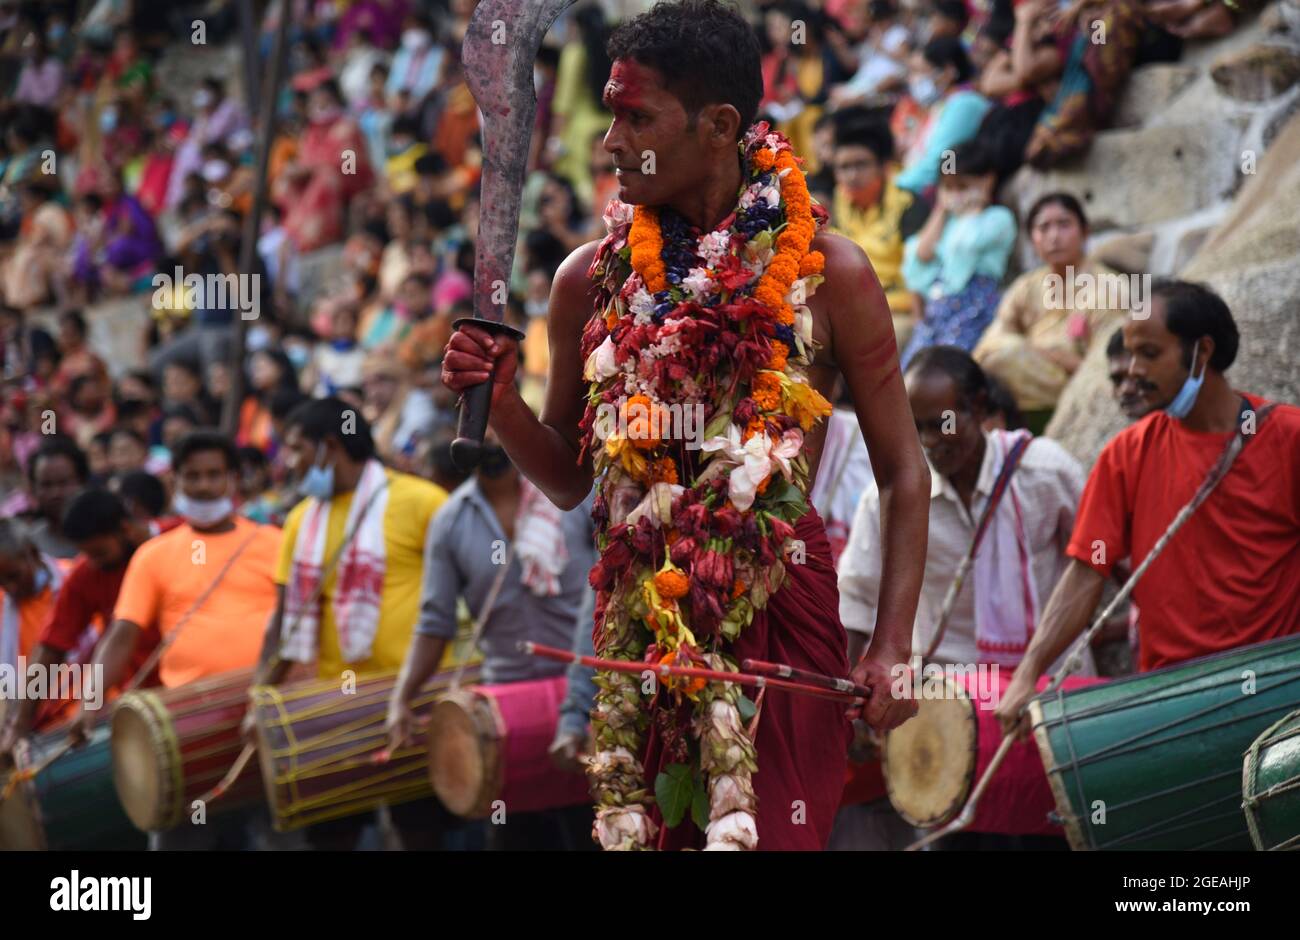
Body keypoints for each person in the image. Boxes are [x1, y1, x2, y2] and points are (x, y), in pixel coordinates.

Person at [440, 0, 930, 851]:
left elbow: (903, 472)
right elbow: (563, 481)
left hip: (782, 604)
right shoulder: (583, 279)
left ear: (720, 125)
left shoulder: (832, 273)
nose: (610, 141)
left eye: (637, 117)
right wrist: (506, 402)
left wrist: (891, 643)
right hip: (639, 614)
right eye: (611, 114)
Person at [997, 280, 1300, 734]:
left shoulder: (1287, 438)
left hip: (1277, 693)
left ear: (1201, 353)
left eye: (1150, 354)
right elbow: (1087, 570)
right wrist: (1027, 674)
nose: (1133, 370)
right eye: (1130, 353)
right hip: (1171, 703)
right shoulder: (1126, 454)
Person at [249, 397, 450, 851]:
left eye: (297, 449)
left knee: (420, 834)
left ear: (328, 447)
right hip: (336, 707)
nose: (290, 462)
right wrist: (258, 700)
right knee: (333, 836)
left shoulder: (421, 501)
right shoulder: (300, 520)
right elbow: (284, 621)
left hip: (416, 697)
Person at [387, 436, 598, 851]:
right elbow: (435, 622)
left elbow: (612, 582)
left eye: (501, 426)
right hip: (506, 713)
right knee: (515, 836)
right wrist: (402, 698)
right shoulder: (449, 521)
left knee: (596, 831)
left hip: (592, 696)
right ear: (459, 436)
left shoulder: (574, 496)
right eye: (478, 422)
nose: (491, 438)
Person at [0, 489, 159, 754]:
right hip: (135, 699)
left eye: (99, 552)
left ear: (125, 529)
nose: (92, 562)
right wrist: (19, 725)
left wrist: (89, 703)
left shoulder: (167, 546)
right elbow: (52, 648)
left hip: (189, 686)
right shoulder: (84, 575)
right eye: (86, 553)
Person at [973, 192, 1128, 432]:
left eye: (1064, 225)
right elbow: (991, 342)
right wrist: (1040, 352)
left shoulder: (1109, 287)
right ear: (1032, 240)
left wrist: (1043, 353)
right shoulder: (1026, 286)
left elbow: (1103, 367)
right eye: (1043, 228)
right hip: (1027, 377)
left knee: (1004, 357)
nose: (1054, 236)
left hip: (1081, 386)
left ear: (1085, 233)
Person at [900, 140, 1016, 367]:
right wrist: (941, 209)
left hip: (973, 310)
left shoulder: (998, 219)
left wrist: (974, 207)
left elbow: (964, 246)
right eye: (947, 187)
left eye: (962, 187)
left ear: (987, 180)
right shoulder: (947, 221)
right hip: (938, 311)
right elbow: (922, 254)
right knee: (914, 370)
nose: (954, 195)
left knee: (947, 370)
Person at [827, 108, 928, 350]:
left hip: (897, 310)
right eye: (843, 167)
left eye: (860, 165)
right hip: (847, 310)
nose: (851, 175)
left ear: (884, 167)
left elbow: (921, 271)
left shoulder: (908, 204)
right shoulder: (837, 201)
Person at [893, 36, 990, 197]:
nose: (915, 79)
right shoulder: (942, 105)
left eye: (923, 72)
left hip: (935, 194)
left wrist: (897, 186)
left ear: (948, 71)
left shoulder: (964, 105)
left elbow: (943, 159)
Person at [0, 519, 69, 729]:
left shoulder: (72, 581)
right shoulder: (3, 603)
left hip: (90, 712)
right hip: (34, 728)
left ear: (32, 553)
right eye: (1, 581)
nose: (10, 588)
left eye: (14, 576)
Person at [20, 436, 90, 559]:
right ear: (34, 489)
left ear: (82, 482)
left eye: (63, 483)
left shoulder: (104, 535)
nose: (55, 493)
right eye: (46, 485)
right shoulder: (29, 543)